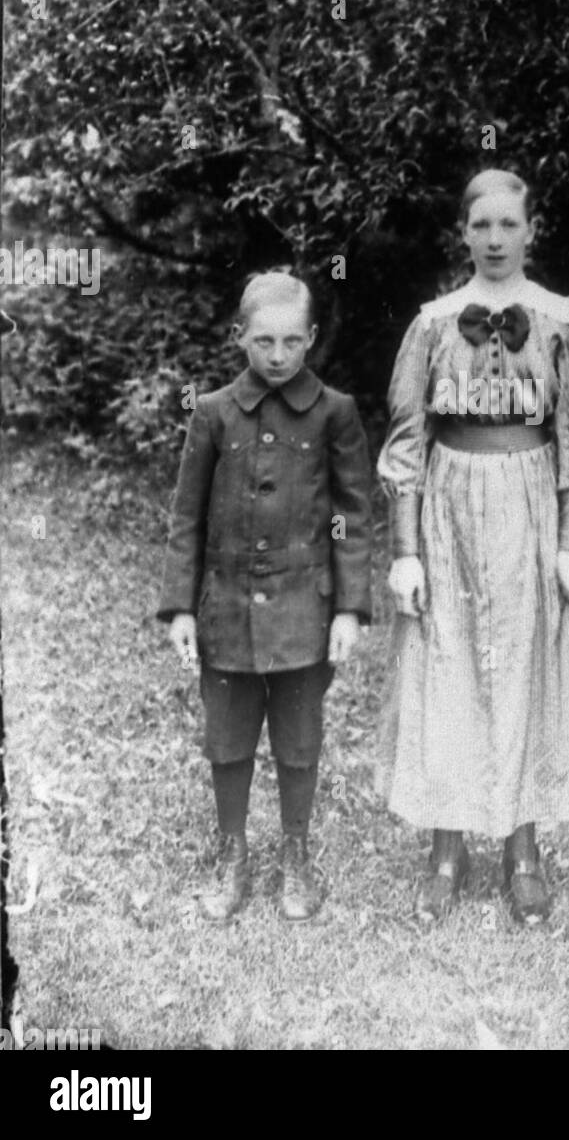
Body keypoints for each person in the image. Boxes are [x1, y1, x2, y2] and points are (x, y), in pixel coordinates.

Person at [376, 169, 569, 925]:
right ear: (464, 233)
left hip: (530, 501)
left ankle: (523, 849)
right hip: (448, 504)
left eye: (510, 225)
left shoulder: (561, 319)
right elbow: (407, 441)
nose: (497, 240)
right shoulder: (434, 321)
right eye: (483, 227)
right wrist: (405, 550)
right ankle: (447, 848)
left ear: (531, 231)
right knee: (450, 659)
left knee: (525, 662)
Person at [158, 271, 372, 923]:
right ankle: (232, 855)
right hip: (226, 608)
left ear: (310, 338)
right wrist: (181, 607)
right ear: (239, 338)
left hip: (305, 609)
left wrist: (348, 607)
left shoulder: (335, 412)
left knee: (299, 740)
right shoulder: (214, 412)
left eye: (290, 342)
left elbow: (352, 513)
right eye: (262, 342)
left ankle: (297, 856)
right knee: (227, 739)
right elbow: (187, 514)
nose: (277, 356)